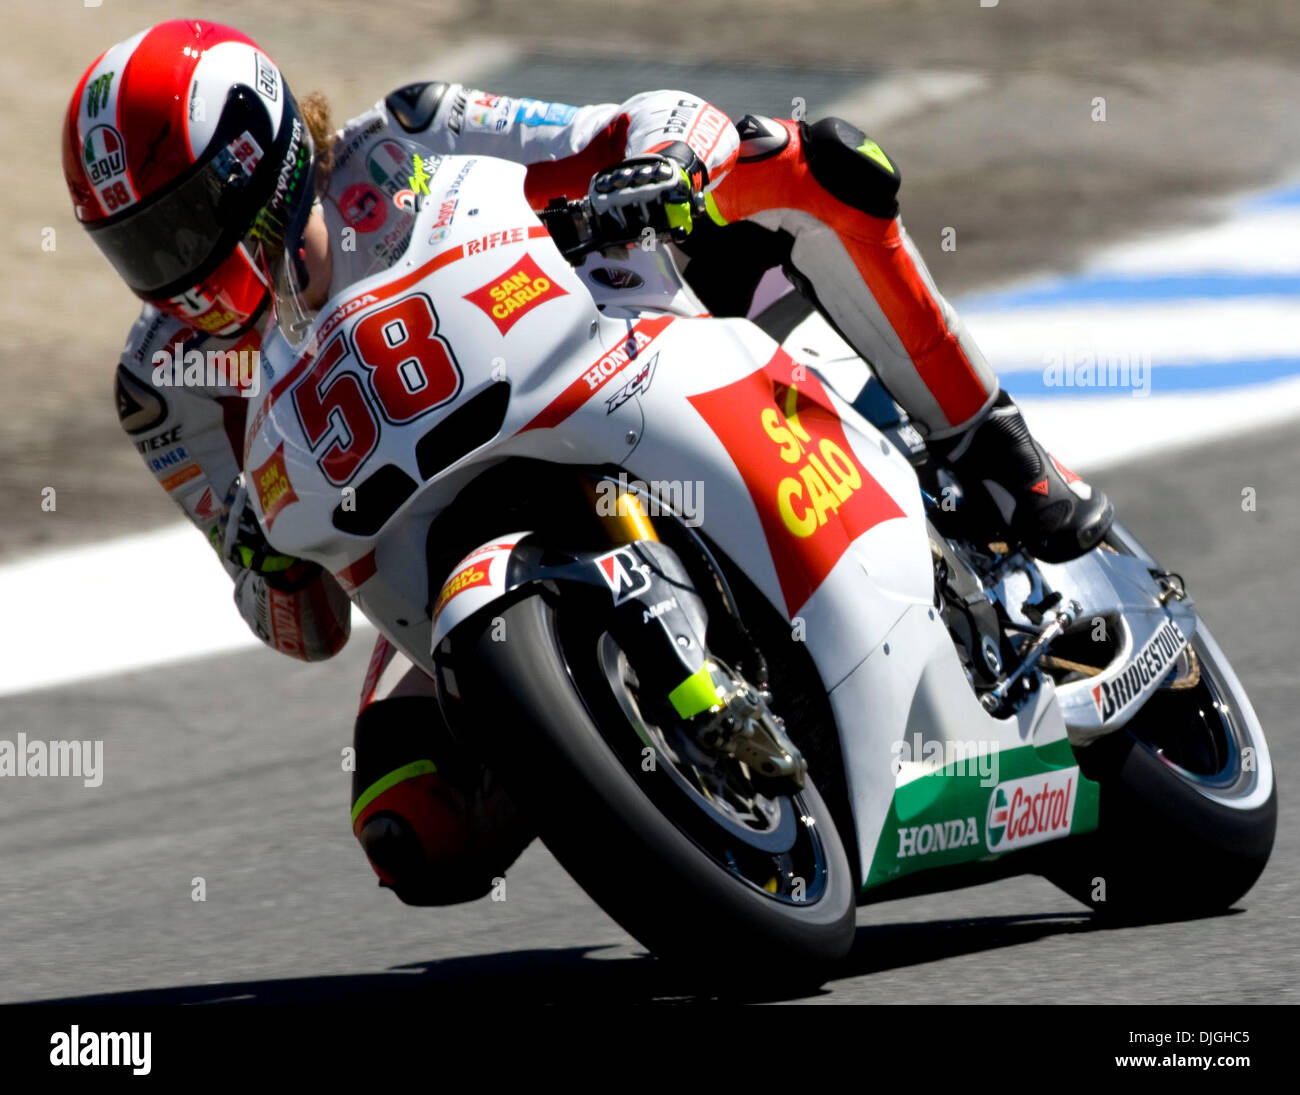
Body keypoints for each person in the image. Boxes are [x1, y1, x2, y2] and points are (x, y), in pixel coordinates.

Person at [63, 19, 1113, 906]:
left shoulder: (409, 138)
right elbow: (307, 631)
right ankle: (645, 775)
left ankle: (995, 444)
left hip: (598, 375)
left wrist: (654, 167)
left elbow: (630, 125)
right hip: (432, 552)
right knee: (413, 826)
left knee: (807, 159)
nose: (174, 273)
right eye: (138, 250)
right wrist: (254, 556)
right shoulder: (167, 383)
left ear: (265, 162)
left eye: (182, 228)